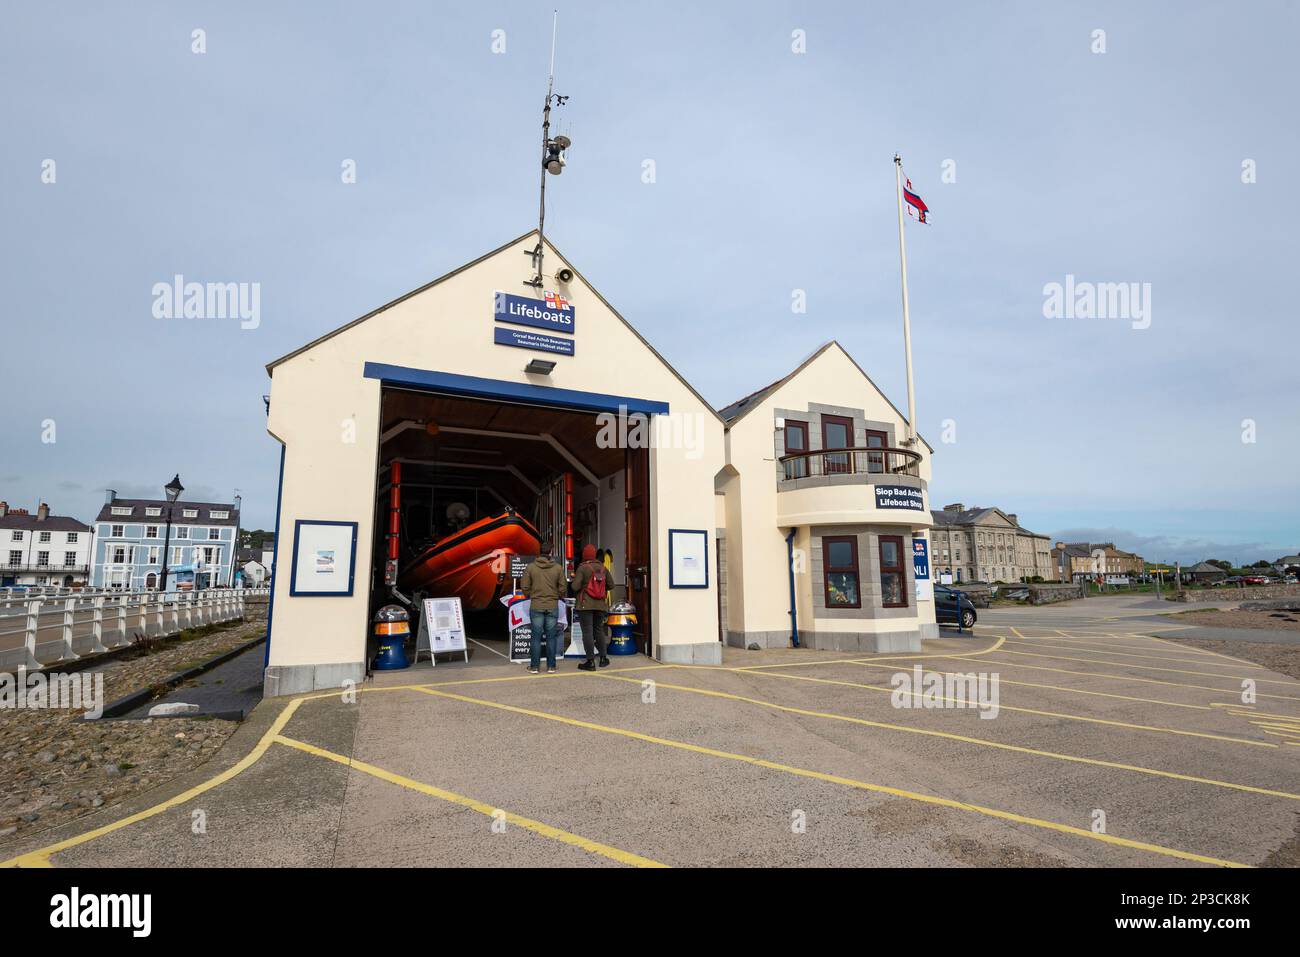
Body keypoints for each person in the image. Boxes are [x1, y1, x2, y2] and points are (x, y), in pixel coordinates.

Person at [521, 540, 566, 674]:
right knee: (551, 637)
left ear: (539, 552)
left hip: (536, 605)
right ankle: (551, 666)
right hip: (552, 605)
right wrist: (556, 595)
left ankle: (534, 667)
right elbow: (563, 588)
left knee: (536, 637)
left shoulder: (531, 567)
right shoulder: (558, 568)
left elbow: (524, 587)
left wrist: (532, 595)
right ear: (551, 552)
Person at [571, 543, 610, 670]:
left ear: (584, 555)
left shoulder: (583, 568)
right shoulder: (603, 568)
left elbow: (575, 587)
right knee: (599, 630)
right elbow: (612, 585)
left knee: (587, 632)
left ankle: (590, 661)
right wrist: (601, 589)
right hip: (600, 605)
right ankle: (603, 658)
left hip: (585, 604)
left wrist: (579, 583)